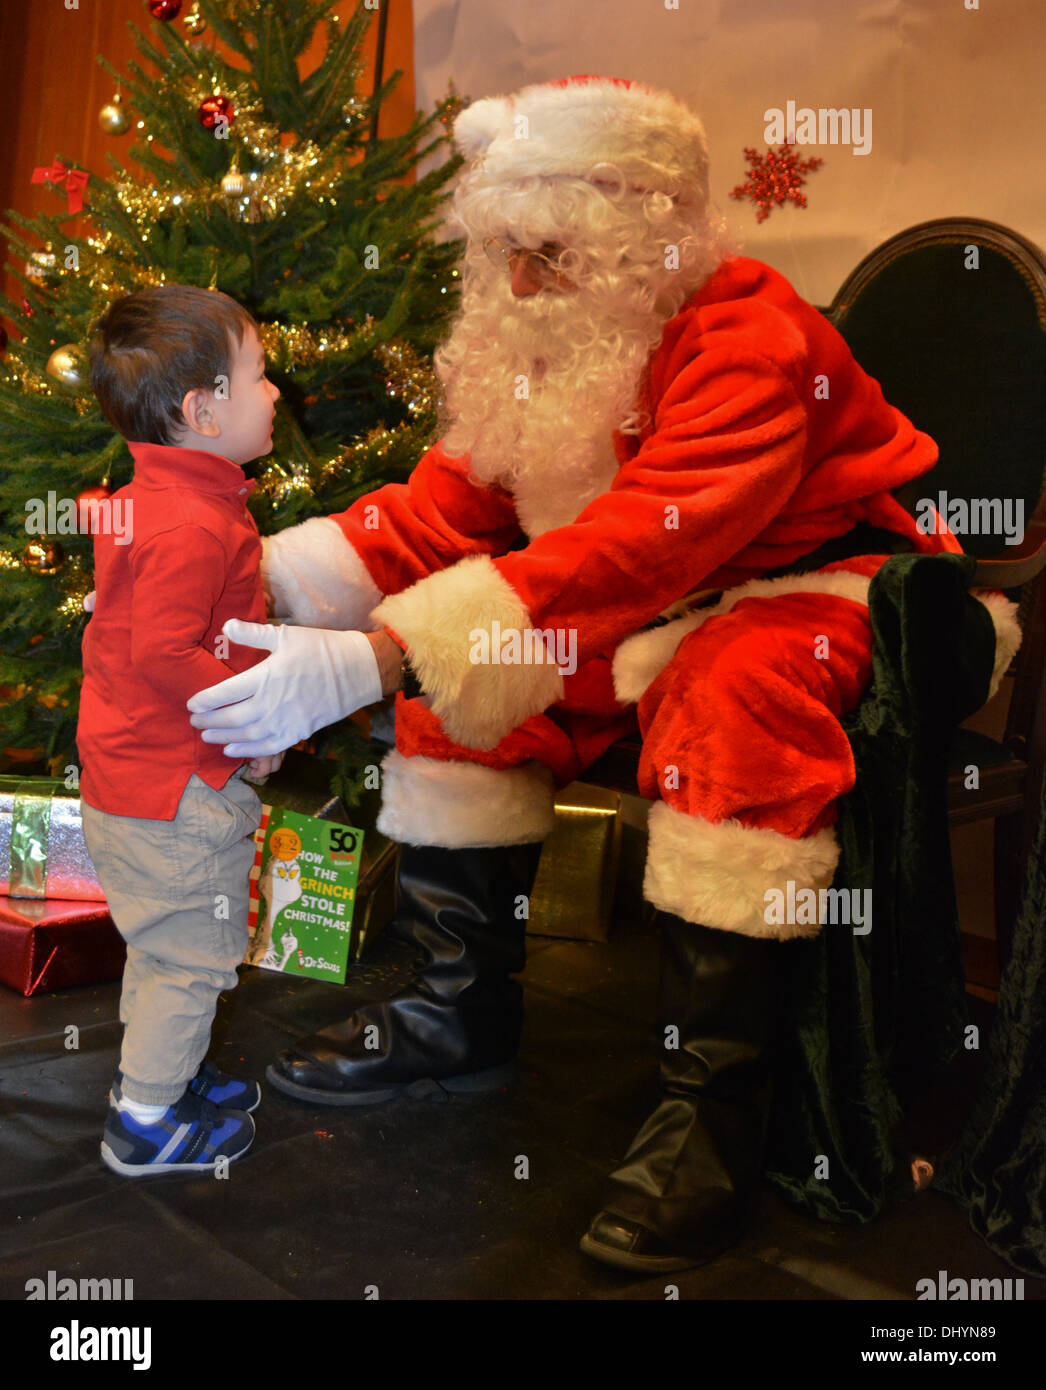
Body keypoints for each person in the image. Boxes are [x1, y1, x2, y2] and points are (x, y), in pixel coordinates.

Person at [186, 77, 1018, 1268]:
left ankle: (715, 1113)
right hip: (655, 604)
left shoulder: (753, 337)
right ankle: (452, 1011)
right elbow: (439, 520)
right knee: (477, 682)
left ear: (646, 243)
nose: (517, 284)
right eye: (501, 251)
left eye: (548, 253)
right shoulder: (532, 343)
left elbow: (645, 539)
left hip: (847, 591)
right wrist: (240, 583)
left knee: (726, 694)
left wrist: (378, 652)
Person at [79, 284, 294, 1176]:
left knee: (162, 947)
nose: (276, 391)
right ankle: (146, 1126)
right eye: (259, 373)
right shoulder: (191, 523)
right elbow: (165, 653)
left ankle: (155, 1078)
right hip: (175, 794)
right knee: (191, 960)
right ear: (203, 410)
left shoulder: (161, 498)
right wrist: (254, 721)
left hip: (139, 779)